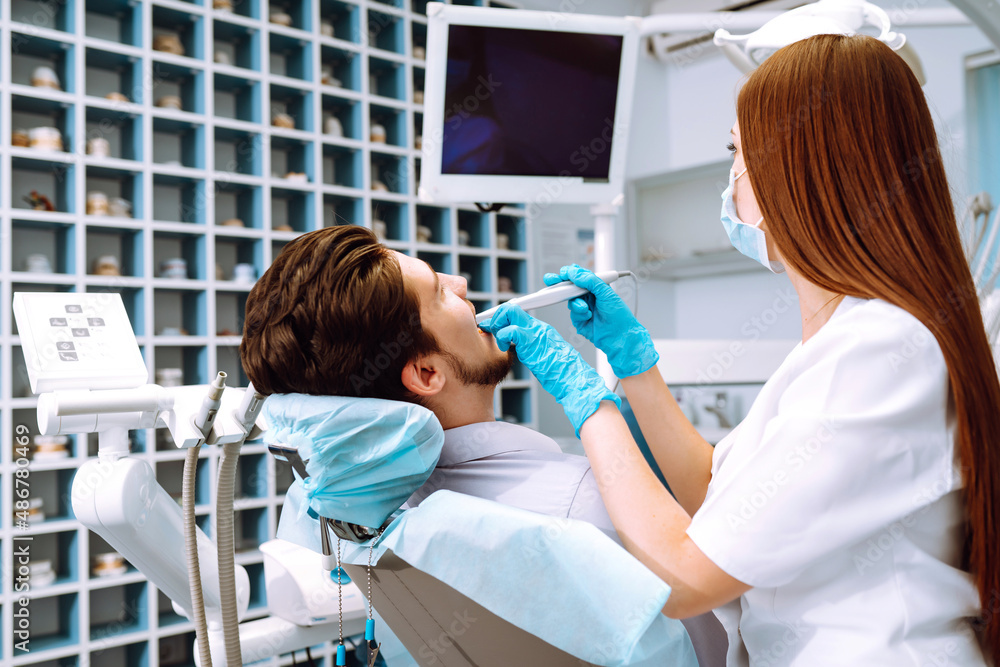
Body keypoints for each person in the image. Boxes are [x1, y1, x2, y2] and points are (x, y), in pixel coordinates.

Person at [481, 34, 1000, 666]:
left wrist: (593, 409)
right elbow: (714, 492)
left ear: (801, 171)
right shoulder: (848, 343)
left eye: (737, 151)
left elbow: (688, 577)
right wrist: (636, 372)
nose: (732, 180)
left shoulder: (880, 351)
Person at [238, 225, 722, 666]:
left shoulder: (349, 515)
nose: (461, 284)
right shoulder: (581, 506)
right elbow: (714, 641)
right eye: (437, 291)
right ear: (428, 373)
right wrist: (597, 404)